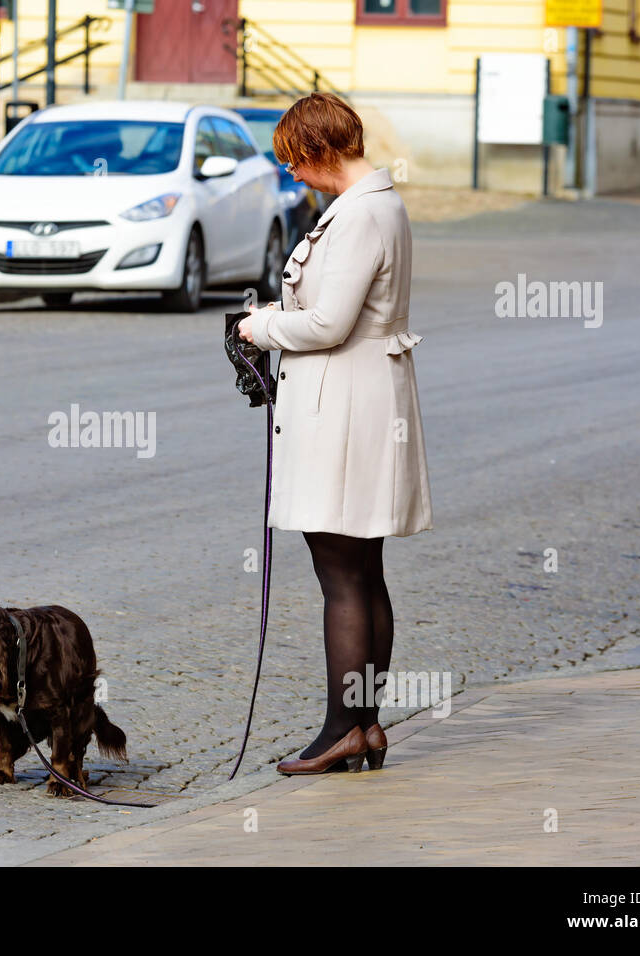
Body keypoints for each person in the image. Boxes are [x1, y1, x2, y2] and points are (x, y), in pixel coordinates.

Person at [238, 92, 433, 775]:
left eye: (295, 161)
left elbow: (329, 325)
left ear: (321, 152)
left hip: (347, 408)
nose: (293, 175)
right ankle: (365, 725)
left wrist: (257, 327)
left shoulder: (360, 216)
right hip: (363, 400)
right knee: (362, 571)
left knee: (342, 577)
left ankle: (340, 730)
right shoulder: (375, 205)